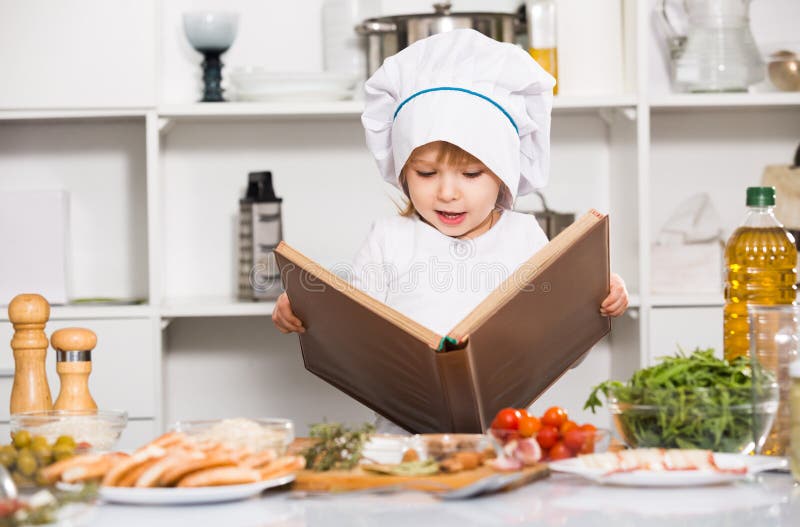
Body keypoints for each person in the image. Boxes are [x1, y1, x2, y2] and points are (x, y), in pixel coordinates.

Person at [272, 30, 628, 428]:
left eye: (471, 174)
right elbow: (355, 335)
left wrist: (594, 301)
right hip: (401, 442)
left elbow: (563, 350)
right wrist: (306, 317)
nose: (446, 192)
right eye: (426, 173)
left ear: (504, 174)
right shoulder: (389, 239)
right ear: (404, 171)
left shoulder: (524, 238)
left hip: (504, 438)